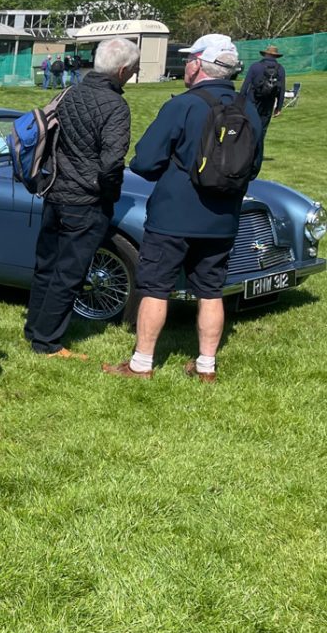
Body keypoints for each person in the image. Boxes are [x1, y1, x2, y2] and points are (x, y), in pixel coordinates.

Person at [104, 33, 263, 383]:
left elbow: (145, 162)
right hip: (222, 217)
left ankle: (142, 363)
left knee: (155, 287)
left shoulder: (183, 105)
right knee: (211, 290)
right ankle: (206, 367)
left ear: (197, 64)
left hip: (173, 215)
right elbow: (253, 166)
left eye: (190, 58)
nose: (186, 64)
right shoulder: (248, 108)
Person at [23, 37, 141, 359]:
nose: (135, 72)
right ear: (122, 70)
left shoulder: (68, 94)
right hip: (85, 201)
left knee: (46, 266)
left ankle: (35, 329)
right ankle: (47, 343)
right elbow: (112, 162)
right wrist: (110, 195)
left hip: (54, 193)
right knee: (69, 274)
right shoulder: (116, 106)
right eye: (134, 67)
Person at [239, 44, 286, 139]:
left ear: (265, 54)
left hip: (252, 101)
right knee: (262, 129)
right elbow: (281, 89)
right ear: (276, 56)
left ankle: (247, 150)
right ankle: (258, 150)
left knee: (249, 128)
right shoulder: (280, 69)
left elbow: (246, 85)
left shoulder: (255, 66)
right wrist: (279, 107)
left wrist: (240, 101)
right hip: (268, 103)